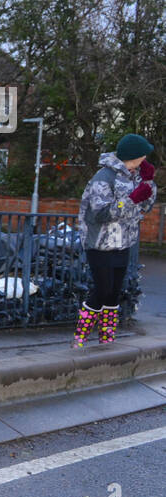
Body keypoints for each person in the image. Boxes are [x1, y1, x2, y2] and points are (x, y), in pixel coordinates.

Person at [74, 134, 156, 348]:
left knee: (114, 292)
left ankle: (107, 338)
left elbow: (146, 206)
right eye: (143, 154)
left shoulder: (135, 176)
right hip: (100, 243)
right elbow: (100, 213)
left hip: (124, 242)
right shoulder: (104, 177)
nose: (146, 157)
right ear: (134, 155)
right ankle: (80, 337)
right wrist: (131, 199)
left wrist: (148, 183)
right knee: (102, 289)